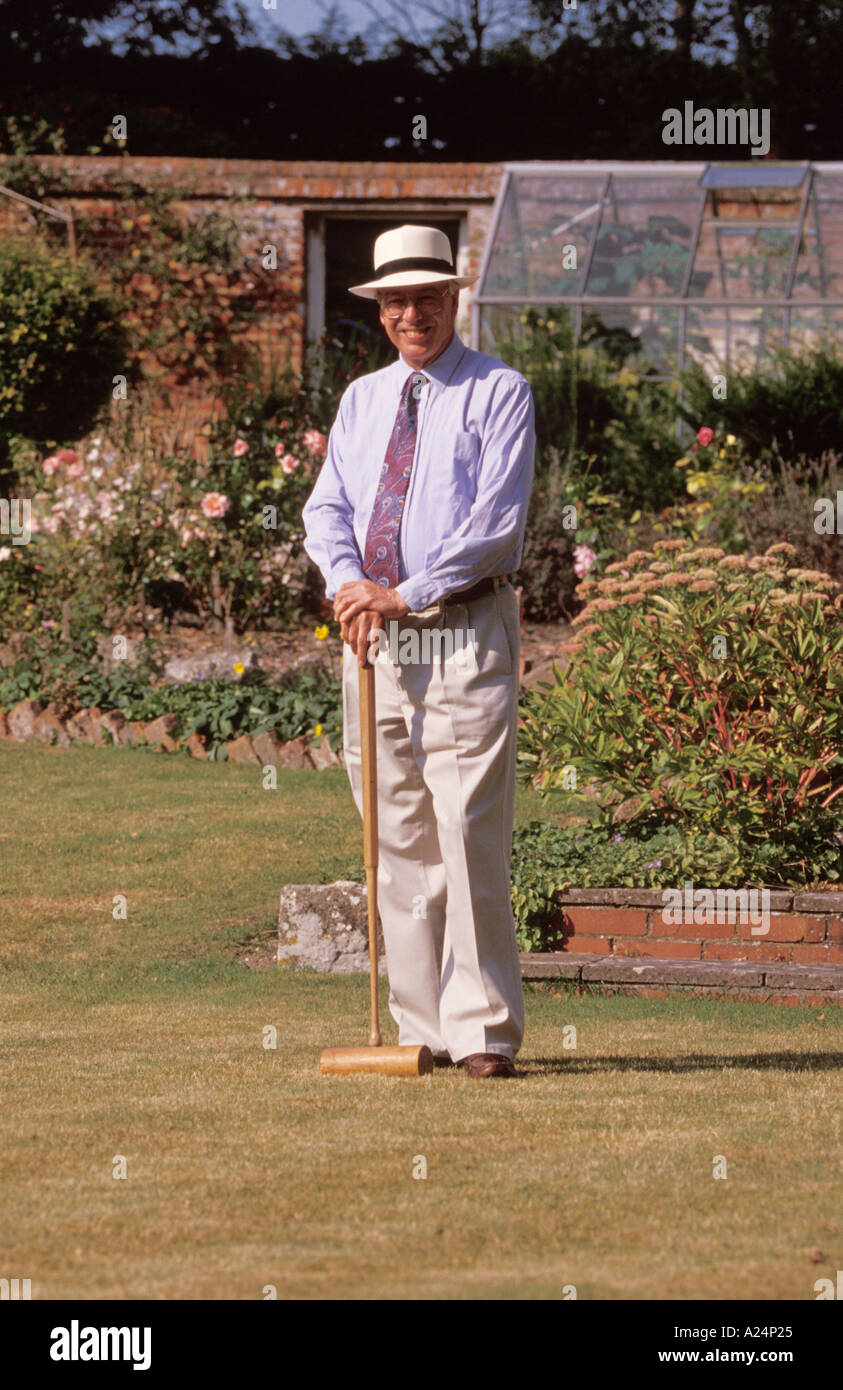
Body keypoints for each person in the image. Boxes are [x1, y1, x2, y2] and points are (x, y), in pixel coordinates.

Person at [302, 224, 535, 1079]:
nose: (411, 314)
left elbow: (494, 528)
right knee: (395, 836)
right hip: (374, 644)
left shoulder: (497, 392)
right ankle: (420, 1028)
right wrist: (348, 585)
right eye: (395, 301)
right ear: (380, 309)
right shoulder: (362, 400)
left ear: (453, 299)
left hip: (465, 634)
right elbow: (326, 510)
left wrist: (402, 590)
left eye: (425, 298)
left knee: (465, 829)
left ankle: (481, 1033)